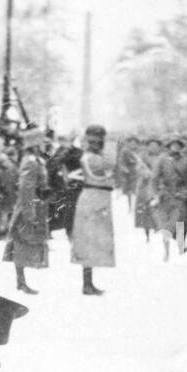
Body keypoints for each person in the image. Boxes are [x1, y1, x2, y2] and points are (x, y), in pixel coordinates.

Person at [4, 125, 51, 294]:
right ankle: (21, 281)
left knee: (25, 242)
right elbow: (25, 187)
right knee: (22, 242)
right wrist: (29, 212)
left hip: (35, 204)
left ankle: (21, 281)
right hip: (29, 205)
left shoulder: (36, 160)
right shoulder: (30, 161)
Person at [70, 123, 116, 294]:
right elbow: (110, 166)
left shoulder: (90, 155)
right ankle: (87, 284)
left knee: (91, 242)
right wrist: (109, 146)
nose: (98, 143)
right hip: (94, 199)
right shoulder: (92, 157)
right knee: (88, 242)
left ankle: (88, 282)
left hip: (97, 198)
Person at [152, 134, 187, 261]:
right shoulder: (162, 159)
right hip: (165, 195)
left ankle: (181, 244)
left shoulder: (186, 161)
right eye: (173, 144)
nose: (175, 147)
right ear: (169, 146)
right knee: (165, 225)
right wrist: (155, 194)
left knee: (180, 221)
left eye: (178, 145)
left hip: (180, 195)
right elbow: (154, 178)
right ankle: (166, 252)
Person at [133, 137, 161, 241]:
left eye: (156, 146)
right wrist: (147, 174)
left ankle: (159, 227)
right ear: (148, 147)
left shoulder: (161, 157)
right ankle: (147, 233)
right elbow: (139, 169)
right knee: (145, 208)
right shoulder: (142, 157)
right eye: (151, 146)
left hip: (157, 185)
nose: (153, 148)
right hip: (145, 185)